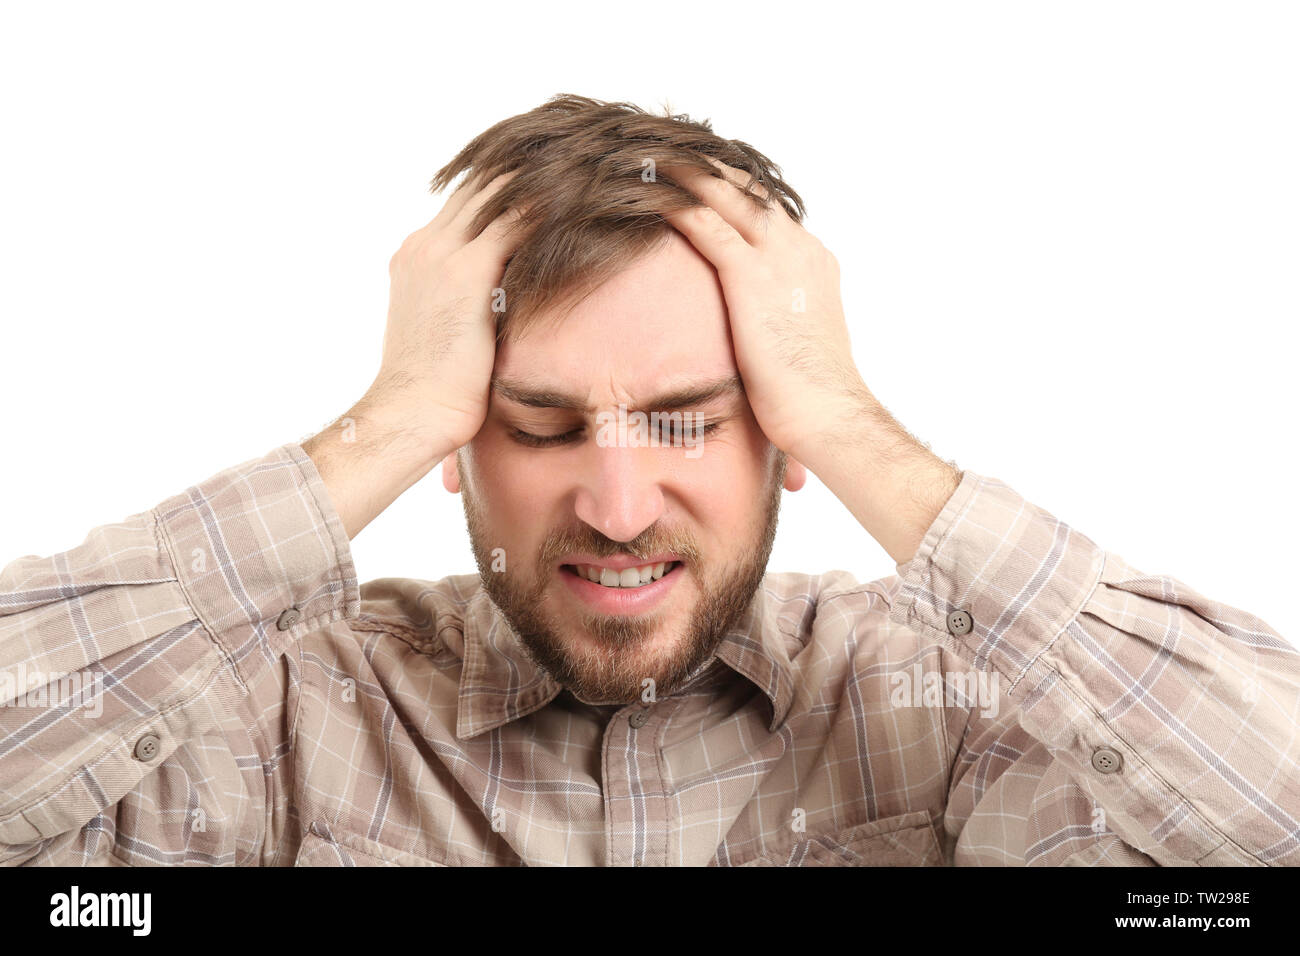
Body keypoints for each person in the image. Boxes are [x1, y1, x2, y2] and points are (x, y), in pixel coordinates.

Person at [1, 94, 1294, 867]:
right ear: (456, 444)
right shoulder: (281, 710)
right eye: (540, 425)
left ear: (784, 441)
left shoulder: (950, 712)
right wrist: (383, 420)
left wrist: (853, 423)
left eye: (686, 422)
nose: (618, 511)